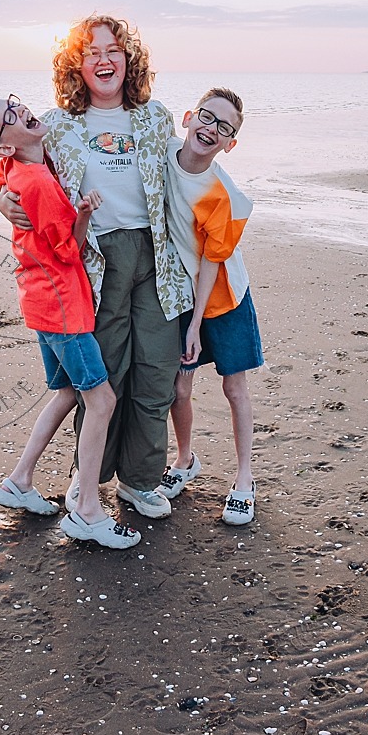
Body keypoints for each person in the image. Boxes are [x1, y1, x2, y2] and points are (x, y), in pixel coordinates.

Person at [0, 16, 193, 520]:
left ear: (129, 59)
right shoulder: (58, 123)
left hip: (158, 257)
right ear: (76, 66)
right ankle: (88, 486)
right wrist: (2, 197)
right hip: (95, 262)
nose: (103, 60)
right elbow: (14, 163)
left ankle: (141, 481)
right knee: (107, 373)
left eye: (113, 50)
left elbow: (187, 173)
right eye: (91, 53)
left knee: (156, 373)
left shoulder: (156, 118)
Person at [0, 91, 139, 549]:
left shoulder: (15, 169)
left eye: (14, 103)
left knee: (64, 393)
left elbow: (0, 175)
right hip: (63, 306)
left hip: (38, 303)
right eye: (9, 116)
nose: (21, 111)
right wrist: (82, 214)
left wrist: (3, 194)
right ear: (4, 144)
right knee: (100, 401)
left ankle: (18, 481)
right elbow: (70, 250)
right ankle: (87, 511)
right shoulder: (37, 182)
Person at [159, 88, 262, 525]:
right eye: (207, 117)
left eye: (224, 128)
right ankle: (184, 460)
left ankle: (244, 478)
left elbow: (209, 267)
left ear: (230, 144)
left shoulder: (221, 195)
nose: (211, 129)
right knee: (179, 388)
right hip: (180, 294)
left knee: (233, 388)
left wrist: (195, 327)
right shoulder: (160, 154)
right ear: (187, 117)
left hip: (224, 300)